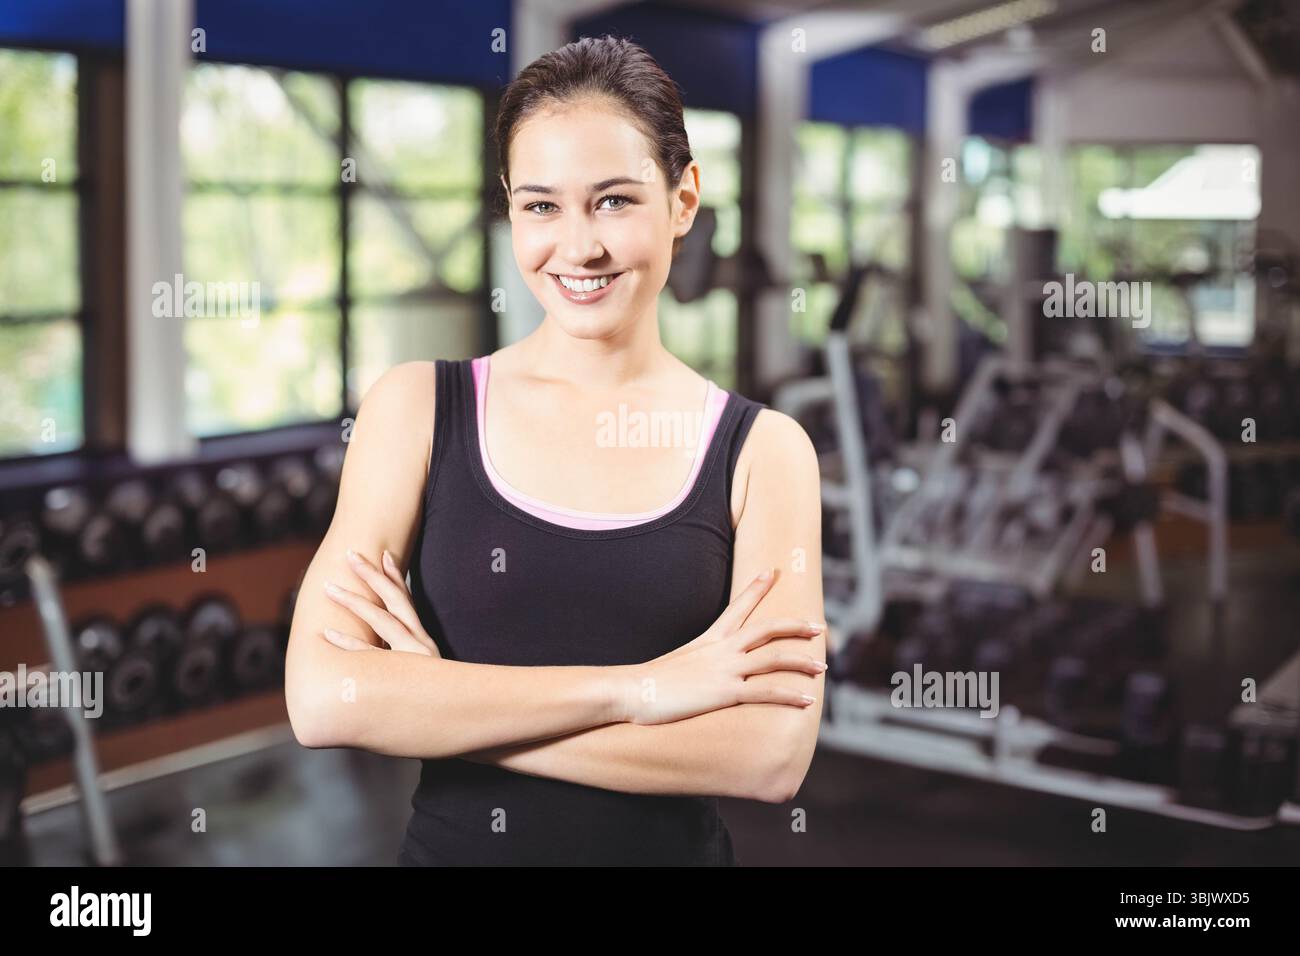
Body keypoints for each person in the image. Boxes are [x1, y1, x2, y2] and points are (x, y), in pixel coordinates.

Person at [284, 35, 826, 866]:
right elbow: (325, 699)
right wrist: (640, 691)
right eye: (541, 206)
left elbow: (766, 756)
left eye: (614, 200)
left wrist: (443, 709)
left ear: (683, 202)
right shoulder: (418, 410)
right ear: (510, 210)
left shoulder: (764, 455)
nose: (578, 248)